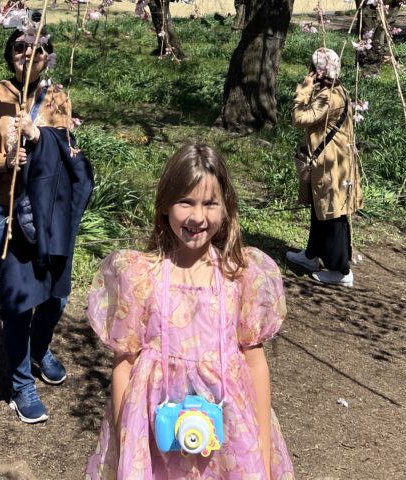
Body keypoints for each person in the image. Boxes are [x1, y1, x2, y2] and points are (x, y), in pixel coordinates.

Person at [85, 144, 294, 480]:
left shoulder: (240, 276)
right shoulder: (140, 278)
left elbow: (256, 364)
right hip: (156, 440)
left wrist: (264, 459)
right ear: (166, 205)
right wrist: (129, 449)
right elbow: (124, 366)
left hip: (230, 440)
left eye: (210, 203)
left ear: (226, 208)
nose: (198, 217)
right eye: (186, 202)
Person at [0, 29, 93, 424]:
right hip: (5, 213)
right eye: (20, 46)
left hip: (49, 215)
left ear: (48, 55)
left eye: (39, 47)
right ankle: (22, 384)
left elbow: (70, 151)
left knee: (56, 297)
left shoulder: (57, 98)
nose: (29, 52)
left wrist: (41, 138)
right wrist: (6, 161)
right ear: (9, 53)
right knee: (18, 304)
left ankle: (40, 348)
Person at [286, 47, 362, 287]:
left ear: (317, 71)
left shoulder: (328, 96)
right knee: (322, 210)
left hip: (332, 164)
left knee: (333, 215)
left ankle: (341, 270)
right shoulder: (337, 89)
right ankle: (311, 255)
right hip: (333, 161)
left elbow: (300, 119)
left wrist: (302, 92)